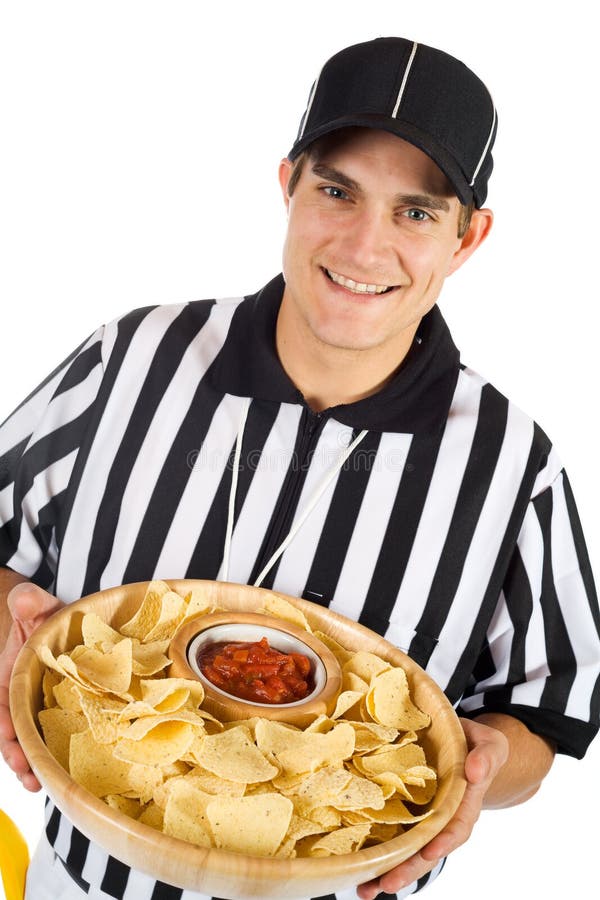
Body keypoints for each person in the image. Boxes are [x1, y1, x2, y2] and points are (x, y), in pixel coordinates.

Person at [0, 34, 598, 900]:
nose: (363, 248)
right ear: (287, 186)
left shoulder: (515, 469)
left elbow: (543, 718)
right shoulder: (126, 363)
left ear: (469, 239)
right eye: (336, 191)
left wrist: (490, 765)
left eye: (417, 212)